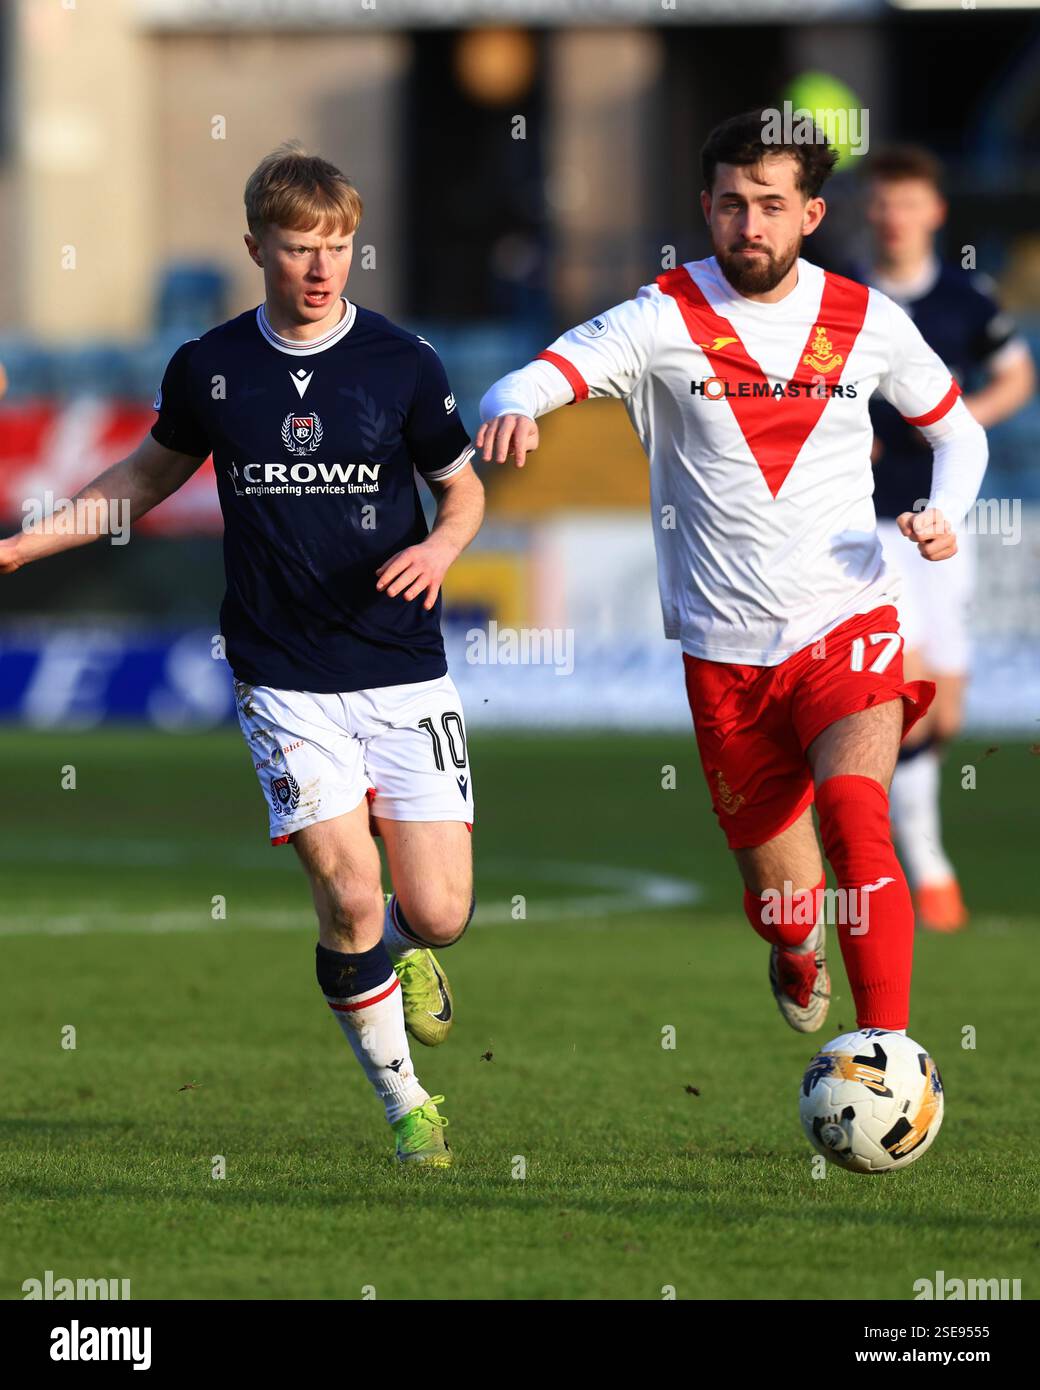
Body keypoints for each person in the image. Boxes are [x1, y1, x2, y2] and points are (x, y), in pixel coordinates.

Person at [0, 143, 485, 1167]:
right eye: (300, 247)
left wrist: (440, 545)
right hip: (281, 675)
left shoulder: (402, 361)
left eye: (339, 246)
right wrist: (20, 543)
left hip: (401, 666)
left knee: (435, 910)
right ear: (256, 244)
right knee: (350, 894)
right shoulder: (211, 366)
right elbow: (138, 479)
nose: (320, 268)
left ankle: (405, 953)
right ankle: (406, 1104)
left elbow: (462, 483)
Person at [478, 110, 988, 1045]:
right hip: (726, 657)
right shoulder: (662, 315)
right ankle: (797, 947)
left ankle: (888, 1050)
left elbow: (959, 432)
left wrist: (945, 514)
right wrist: (514, 406)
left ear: (811, 214)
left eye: (769, 205)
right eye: (729, 205)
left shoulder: (867, 318)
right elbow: (530, 377)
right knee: (791, 904)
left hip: (849, 619)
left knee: (854, 813)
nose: (749, 225)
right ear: (704, 211)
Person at [854, 145, 1035, 931]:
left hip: (947, 524)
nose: (896, 217)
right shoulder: (846, 301)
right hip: (868, 524)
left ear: (935, 214)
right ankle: (923, 871)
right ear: (871, 212)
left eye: (910, 203)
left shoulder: (965, 297)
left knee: (946, 710)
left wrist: (958, 427)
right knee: (912, 697)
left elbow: (1016, 375)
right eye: (884, 203)